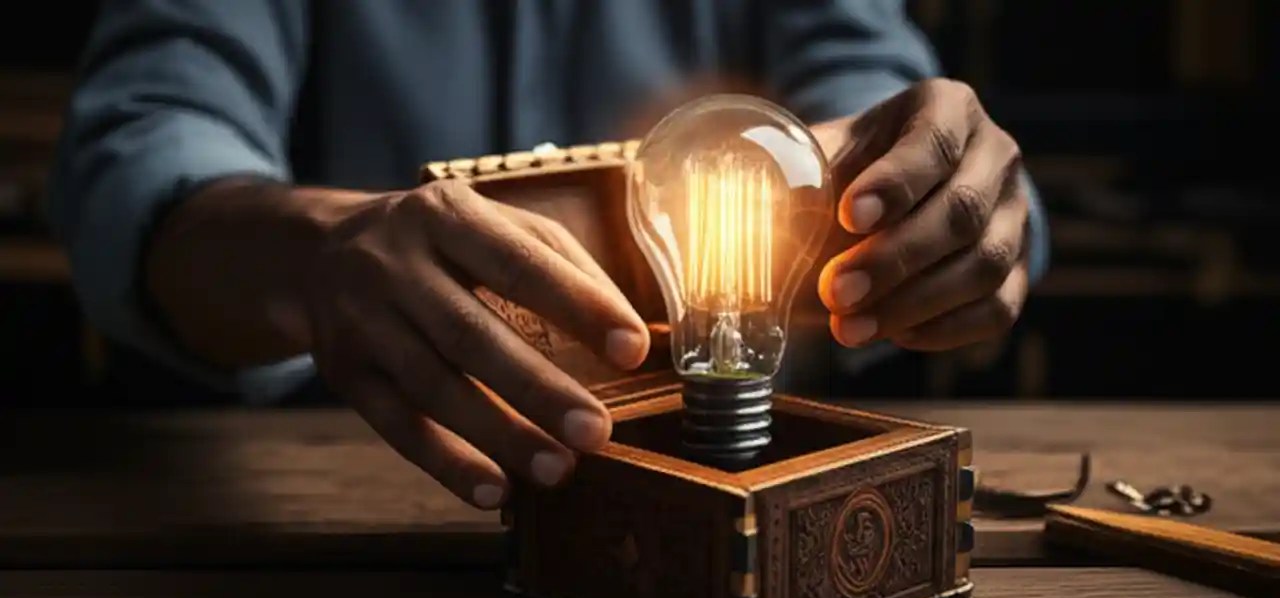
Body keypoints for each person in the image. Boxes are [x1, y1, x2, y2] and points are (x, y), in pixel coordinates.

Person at [49, 1, 1049, 511]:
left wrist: (942, 191)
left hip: (730, 459)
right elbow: (136, 165)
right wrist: (312, 253)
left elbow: (900, 111)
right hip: (380, 471)